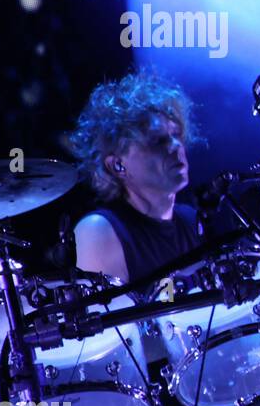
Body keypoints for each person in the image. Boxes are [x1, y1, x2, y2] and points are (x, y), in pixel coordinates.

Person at [70, 70, 202, 284]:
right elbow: (110, 316)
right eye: (157, 141)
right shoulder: (99, 231)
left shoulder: (191, 220)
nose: (176, 146)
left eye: (176, 135)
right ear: (118, 165)